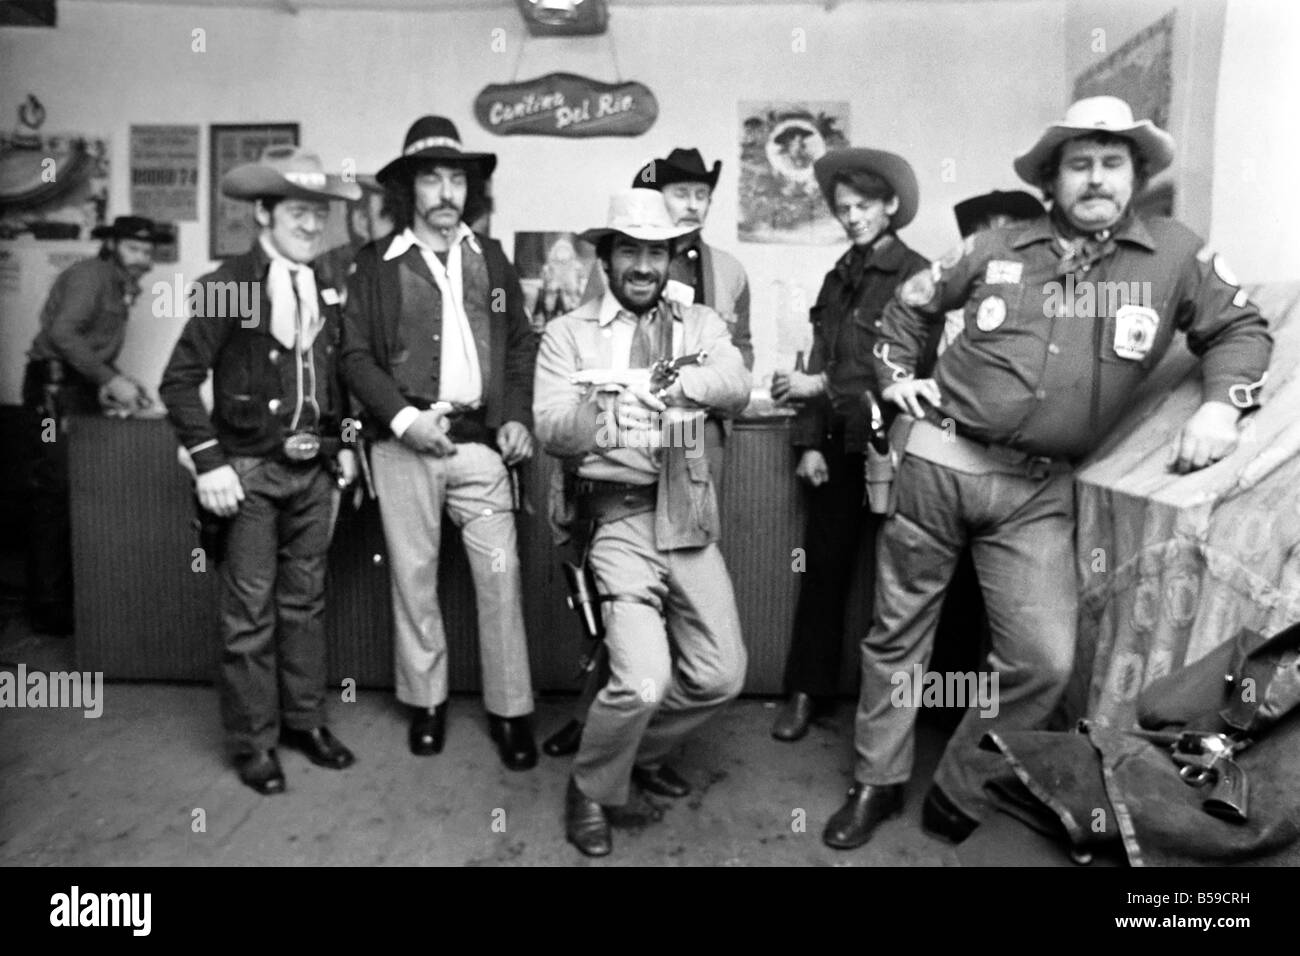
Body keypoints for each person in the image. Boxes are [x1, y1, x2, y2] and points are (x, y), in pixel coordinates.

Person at [823, 96, 1273, 850]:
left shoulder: (1174, 256)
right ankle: (876, 780)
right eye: (1079, 165)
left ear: (1135, 175)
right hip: (937, 459)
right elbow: (907, 310)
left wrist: (1222, 406)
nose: (1096, 179)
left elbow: (1239, 326)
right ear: (1051, 179)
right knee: (898, 637)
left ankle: (960, 787)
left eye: (1111, 163)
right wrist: (898, 373)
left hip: (1037, 491)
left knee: (1042, 659)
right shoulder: (998, 247)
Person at [533, 188, 750, 856]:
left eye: (655, 251)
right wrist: (603, 414)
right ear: (606, 257)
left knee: (721, 674)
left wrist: (679, 386)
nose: (643, 265)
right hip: (618, 517)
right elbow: (549, 426)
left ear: (668, 258)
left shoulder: (700, 325)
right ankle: (593, 789)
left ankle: (635, 755)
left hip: (687, 511)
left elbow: (737, 382)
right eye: (629, 249)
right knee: (645, 677)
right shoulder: (568, 334)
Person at [159, 147, 362, 795]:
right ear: (265, 212)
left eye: (318, 213)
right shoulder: (231, 283)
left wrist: (344, 443)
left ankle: (305, 721)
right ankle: (254, 743)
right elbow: (179, 383)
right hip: (247, 473)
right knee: (249, 616)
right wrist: (210, 460)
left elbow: (340, 379)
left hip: (315, 475)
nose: (312, 225)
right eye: (299, 211)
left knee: (304, 605)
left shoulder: (330, 285)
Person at [340, 115, 539, 770]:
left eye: (458, 177)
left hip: (480, 441)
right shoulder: (374, 266)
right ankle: (426, 704)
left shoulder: (493, 259)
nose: (447, 191)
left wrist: (515, 418)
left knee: (500, 578)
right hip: (404, 443)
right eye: (433, 178)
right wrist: (402, 419)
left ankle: (510, 711)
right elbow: (355, 356)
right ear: (408, 191)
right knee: (414, 579)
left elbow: (518, 345)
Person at [767, 148, 929, 743]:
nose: (853, 217)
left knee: (901, 588)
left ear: (891, 206)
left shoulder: (919, 275)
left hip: (900, 451)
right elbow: (819, 355)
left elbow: (896, 364)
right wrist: (809, 442)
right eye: (843, 208)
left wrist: (823, 384)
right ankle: (806, 692)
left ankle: (897, 712)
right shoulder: (839, 275)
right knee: (823, 575)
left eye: (863, 206)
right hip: (837, 447)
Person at [23, 215, 167, 636]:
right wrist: (111, 380)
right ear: (113, 246)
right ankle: (48, 610)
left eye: (148, 250)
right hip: (53, 391)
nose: (143, 258)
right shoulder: (93, 275)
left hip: (74, 388)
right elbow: (63, 333)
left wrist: (117, 380)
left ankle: (69, 602)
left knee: (72, 493)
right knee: (54, 494)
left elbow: (87, 346)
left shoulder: (120, 283)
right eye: (134, 249)